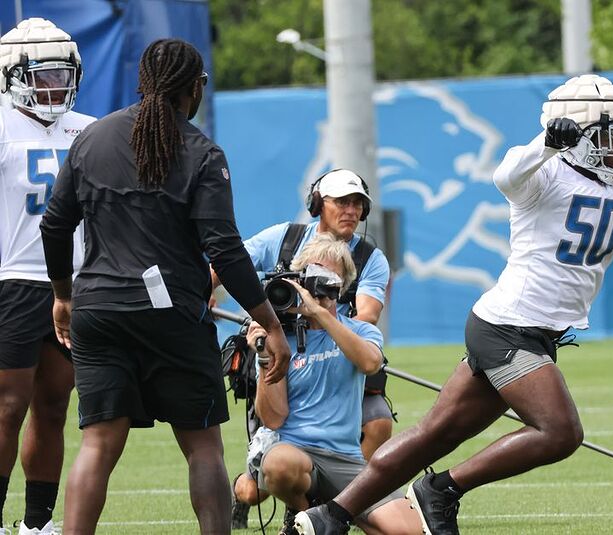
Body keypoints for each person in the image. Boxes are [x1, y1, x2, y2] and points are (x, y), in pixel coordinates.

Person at [294, 73, 613, 534]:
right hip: (508, 327)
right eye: (612, 134)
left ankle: (329, 516)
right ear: (577, 134)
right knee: (561, 432)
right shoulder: (545, 174)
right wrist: (547, 143)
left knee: (434, 434)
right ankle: (441, 490)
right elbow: (505, 173)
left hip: (526, 331)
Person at [38, 39, 291, 534]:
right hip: (173, 315)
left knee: (98, 443)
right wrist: (269, 323)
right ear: (194, 88)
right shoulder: (201, 151)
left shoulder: (91, 139)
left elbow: (54, 225)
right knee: (201, 445)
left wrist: (64, 296)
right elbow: (224, 249)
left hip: (97, 310)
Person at [219, 168, 393, 529]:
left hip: (340, 357)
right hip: (285, 358)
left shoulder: (370, 258)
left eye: (358, 204)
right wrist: (202, 292)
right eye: (341, 202)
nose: (351, 211)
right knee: (260, 488)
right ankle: (252, 493)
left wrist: (322, 313)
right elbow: (229, 261)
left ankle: (326, 508)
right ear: (318, 204)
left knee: (378, 420)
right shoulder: (285, 238)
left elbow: (367, 315)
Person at [237, 234, 420, 535]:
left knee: (408, 531)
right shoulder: (281, 341)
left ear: (341, 284)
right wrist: (263, 355)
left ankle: (325, 517)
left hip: (346, 459)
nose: (314, 283)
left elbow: (370, 363)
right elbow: (273, 418)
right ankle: (309, 515)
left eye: (325, 275)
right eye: (308, 273)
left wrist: (321, 314)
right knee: (278, 465)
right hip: (296, 454)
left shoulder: (359, 331)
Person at [0, 18, 94, 535]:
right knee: (7, 406)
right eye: (43, 75)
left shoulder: (89, 129)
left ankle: (37, 524)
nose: (54, 87)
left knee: (54, 404)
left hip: (76, 283)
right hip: (12, 278)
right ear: (14, 74)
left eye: (62, 76)